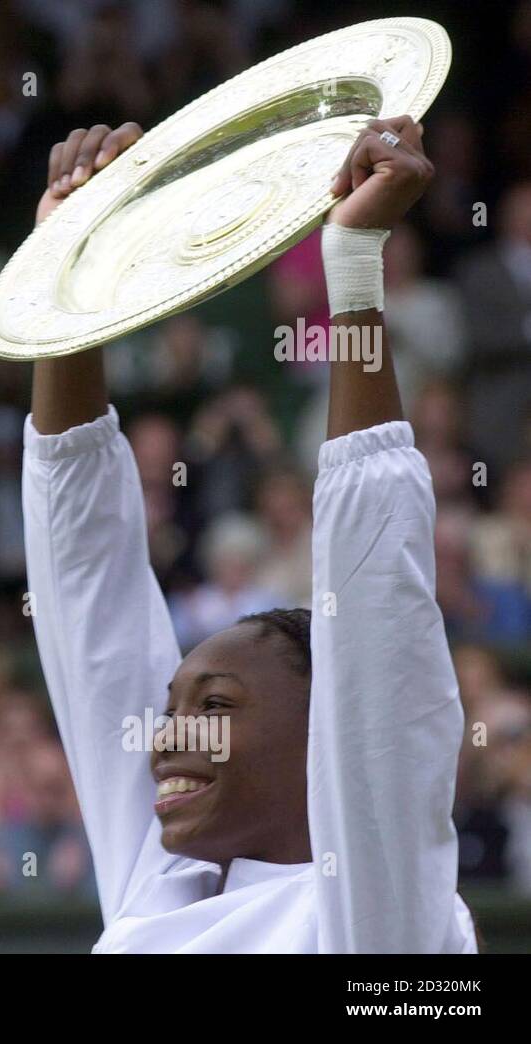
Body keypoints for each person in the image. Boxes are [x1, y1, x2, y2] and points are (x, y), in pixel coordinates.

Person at [24, 118, 476, 952]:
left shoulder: (385, 921)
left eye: (216, 707)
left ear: (328, 731)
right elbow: (87, 592)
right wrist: (68, 273)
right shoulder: (160, 888)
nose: (167, 739)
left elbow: (379, 616)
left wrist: (351, 268)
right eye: (176, 710)